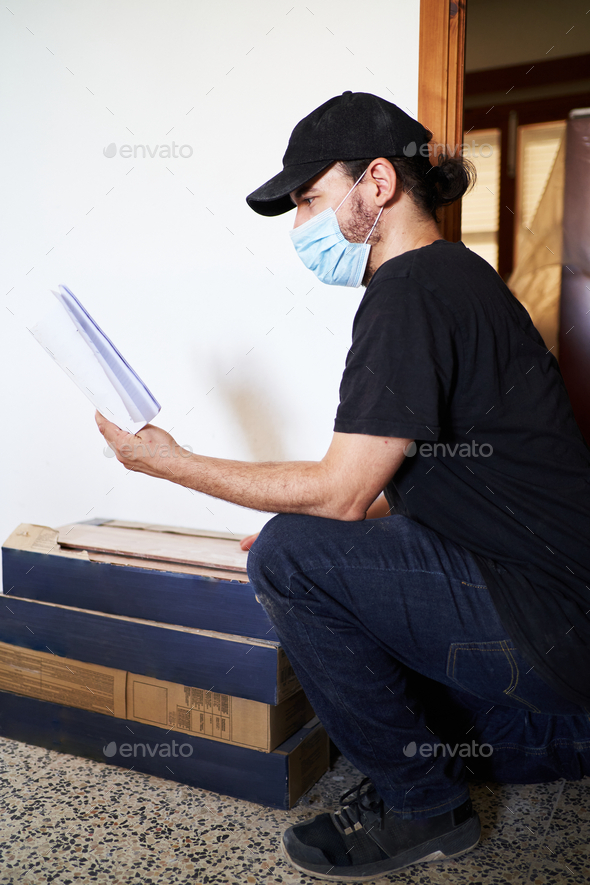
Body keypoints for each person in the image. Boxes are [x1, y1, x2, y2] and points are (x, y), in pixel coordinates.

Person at [97, 91, 590, 883]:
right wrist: (341, 544)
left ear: (379, 185)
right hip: (563, 619)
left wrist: (170, 462)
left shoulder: (409, 290)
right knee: (320, 554)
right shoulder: (456, 278)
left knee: (289, 553)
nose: (302, 229)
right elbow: (424, 476)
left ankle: (424, 807)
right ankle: (563, 732)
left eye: (311, 200)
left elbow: (340, 492)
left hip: (540, 614)